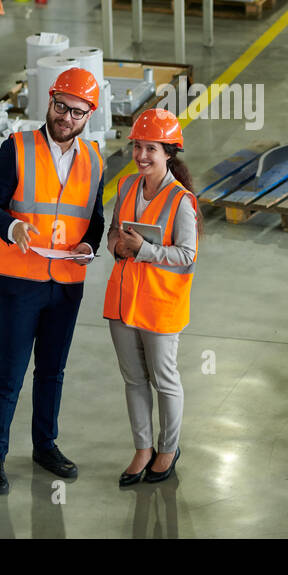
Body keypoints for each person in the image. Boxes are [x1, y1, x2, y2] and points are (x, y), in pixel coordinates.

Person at [0, 67, 105, 495]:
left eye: (77, 112)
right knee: (10, 373)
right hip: (21, 281)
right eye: (60, 106)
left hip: (66, 283)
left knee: (52, 371)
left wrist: (89, 244)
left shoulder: (95, 160)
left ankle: (44, 446)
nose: (66, 117)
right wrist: (11, 228)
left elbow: (95, 219)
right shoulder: (17, 148)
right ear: (49, 102)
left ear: (89, 116)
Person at [104, 108, 199, 486]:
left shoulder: (181, 201)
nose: (141, 156)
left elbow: (188, 255)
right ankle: (142, 448)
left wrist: (143, 250)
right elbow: (113, 231)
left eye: (151, 150)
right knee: (133, 379)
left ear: (169, 153)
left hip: (160, 306)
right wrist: (117, 248)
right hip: (123, 301)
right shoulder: (127, 186)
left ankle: (167, 448)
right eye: (138, 147)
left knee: (164, 379)